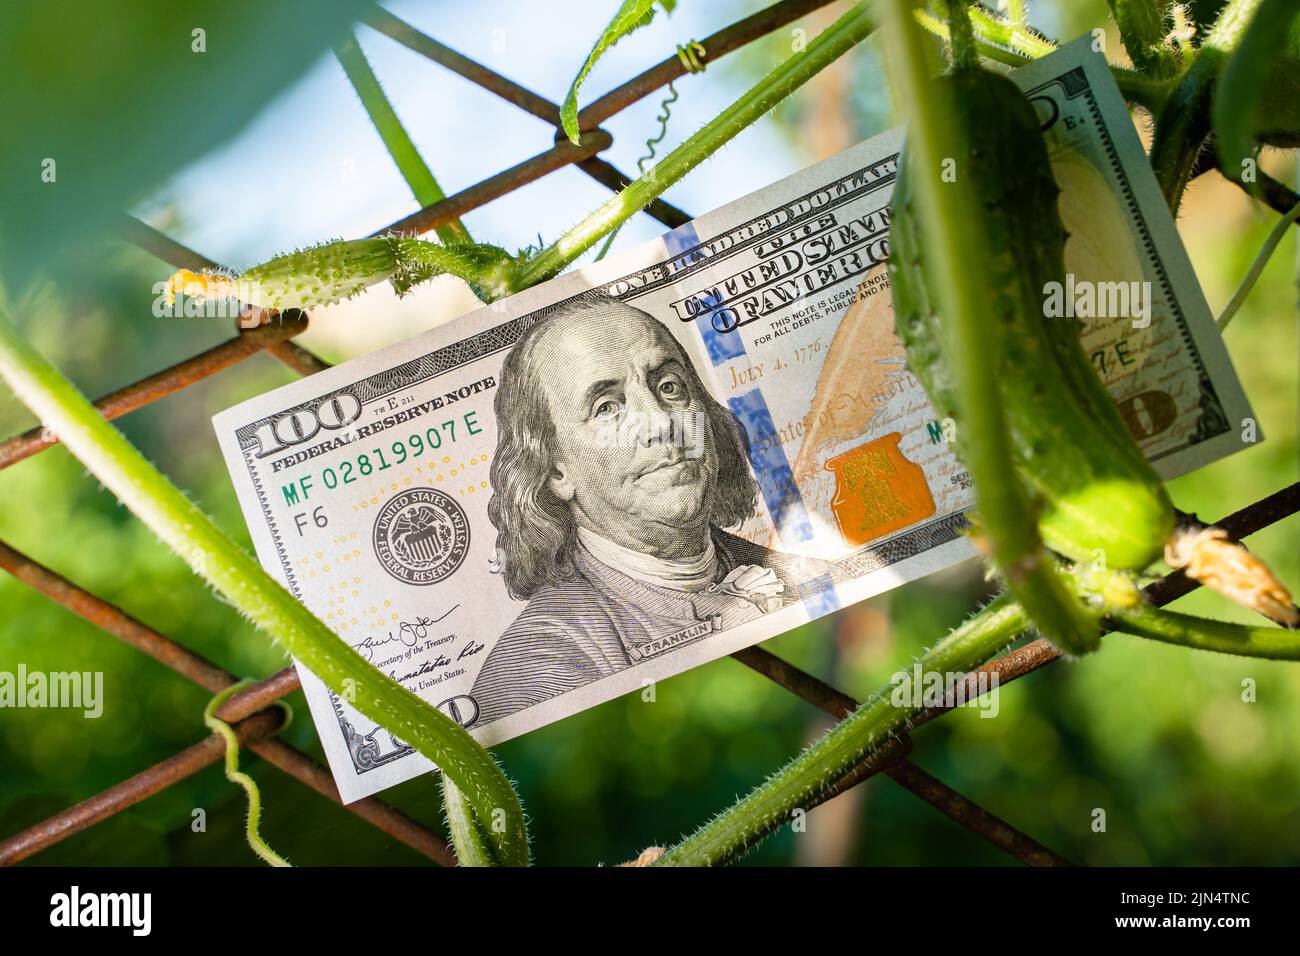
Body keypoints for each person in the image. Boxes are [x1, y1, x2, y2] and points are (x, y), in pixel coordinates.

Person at [469, 297, 829, 726]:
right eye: (607, 407)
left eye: (669, 387)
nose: (661, 423)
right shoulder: (537, 670)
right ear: (555, 472)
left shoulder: (819, 579)